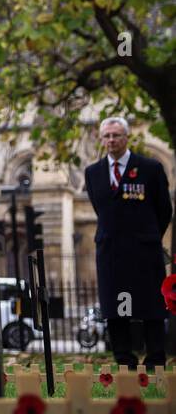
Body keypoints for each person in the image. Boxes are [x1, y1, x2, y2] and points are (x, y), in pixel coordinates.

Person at [84, 116, 171, 369]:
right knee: (116, 307)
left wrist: (149, 235)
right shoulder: (93, 173)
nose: (111, 140)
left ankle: (155, 359)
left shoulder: (150, 168)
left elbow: (163, 210)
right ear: (101, 139)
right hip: (110, 252)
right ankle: (124, 360)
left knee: (151, 306)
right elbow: (102, 209)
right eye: (107, 136)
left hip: (144, 251)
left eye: (116, 135)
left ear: (127, 137)